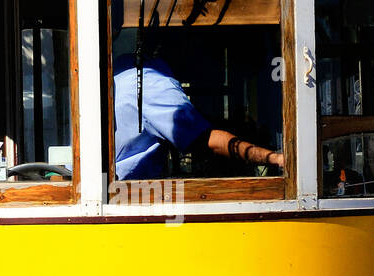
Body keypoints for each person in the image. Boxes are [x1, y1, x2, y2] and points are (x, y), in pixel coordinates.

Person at [113, 51, 284, 181]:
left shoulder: (128, 65)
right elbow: (207, 141)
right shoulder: (155, 84)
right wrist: (276, 158)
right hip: (126, 192)